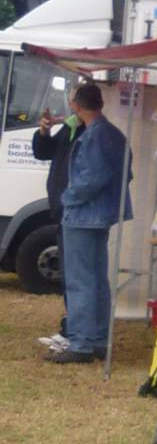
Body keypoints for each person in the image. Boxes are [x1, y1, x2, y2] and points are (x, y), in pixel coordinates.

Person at [48, 81, 128, 365]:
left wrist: (67, 197)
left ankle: (81, 342)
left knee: (80, 279)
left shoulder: (95, 135)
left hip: (83, 216)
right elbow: (124, 171)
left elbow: (91, 178)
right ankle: (97, 338)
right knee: (95, 278)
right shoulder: (113, 134)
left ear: (76, 106)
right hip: (99, 216)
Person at [31, 91, 85, 352]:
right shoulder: (69, 128)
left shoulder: (89, 132)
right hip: (63, 209)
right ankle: (70, 327)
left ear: (79, 104)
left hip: (77, 212)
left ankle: (76, 332)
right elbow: (44, 153)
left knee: (76, 276)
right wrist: (43, 133)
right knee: (69, 275)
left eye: (72, 99)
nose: (69, 103)